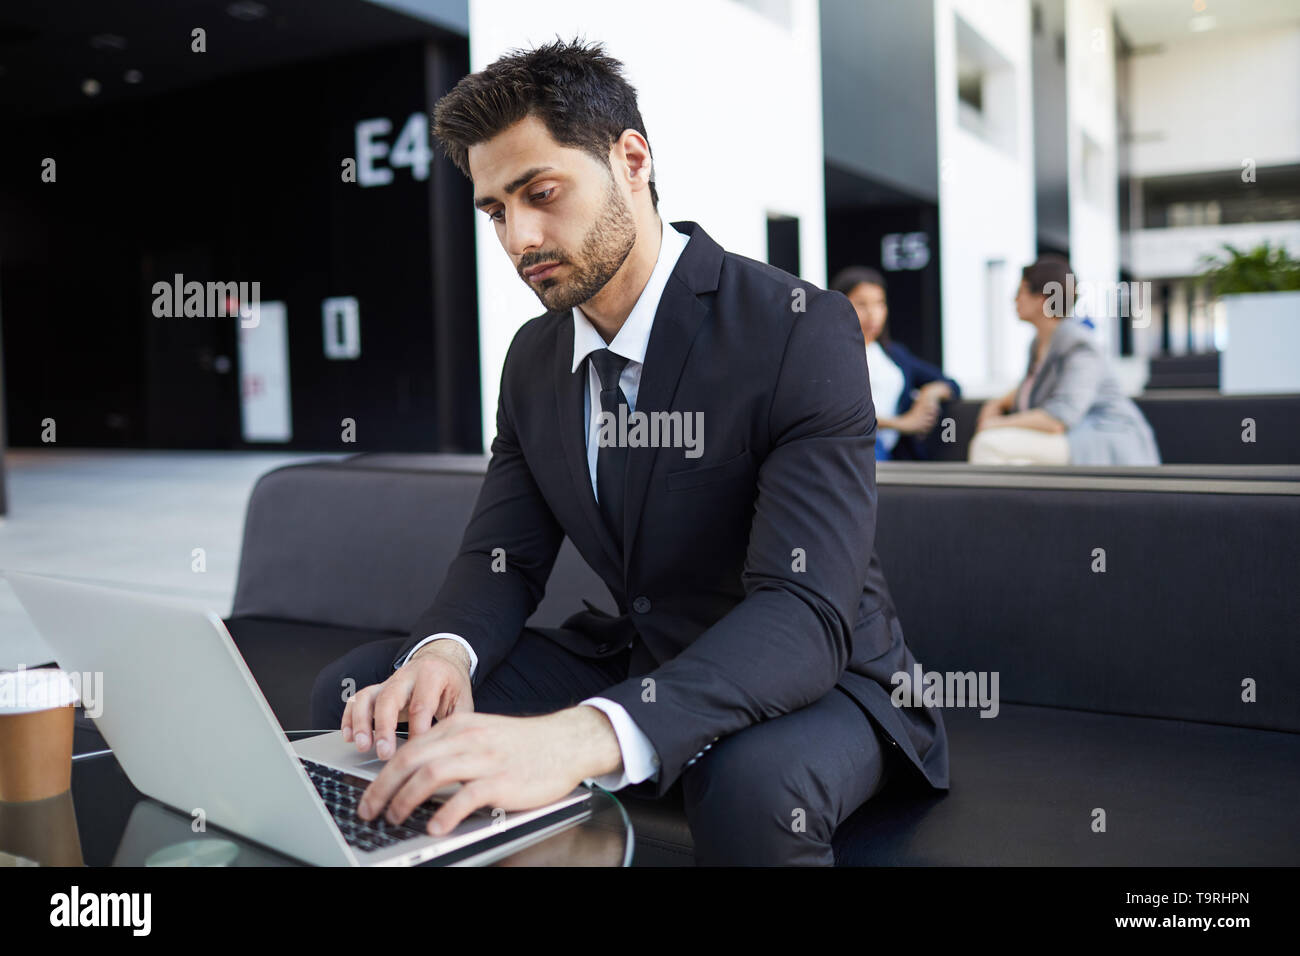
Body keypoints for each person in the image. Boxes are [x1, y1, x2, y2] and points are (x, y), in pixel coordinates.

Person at [309, 38, 947, 865]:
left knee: (754, 789)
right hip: (639, 656)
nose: (518, 238)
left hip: (822, 674)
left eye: (541, 193)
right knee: (367, 699)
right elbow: (504, 556)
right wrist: (442, 653)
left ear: (631, 159)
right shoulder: (535, 358)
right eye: (495, 210)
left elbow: (802, 611)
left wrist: (583, 735)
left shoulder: (799, 326)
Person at [970, 256, 1161, 466]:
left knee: (989, 444)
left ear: (1043, 299)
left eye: (1020, 292)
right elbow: (1030, 387)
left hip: (1101, 440)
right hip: (1071, 437)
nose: (1014, 299)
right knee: (1018, 463)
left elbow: (1059, 418)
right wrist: (996, 403)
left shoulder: (1080, 346)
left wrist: (997, 424)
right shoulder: (1040, 343)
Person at [830, 266, 961, 460]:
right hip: (851, 447)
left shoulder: (893, 354)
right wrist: (901, 423)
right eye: (861, 304)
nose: (872, 313)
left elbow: (951, 384)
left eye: (879, 303)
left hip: (890, 452)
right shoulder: (829, 354)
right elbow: (835, 415)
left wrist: (929, 393)